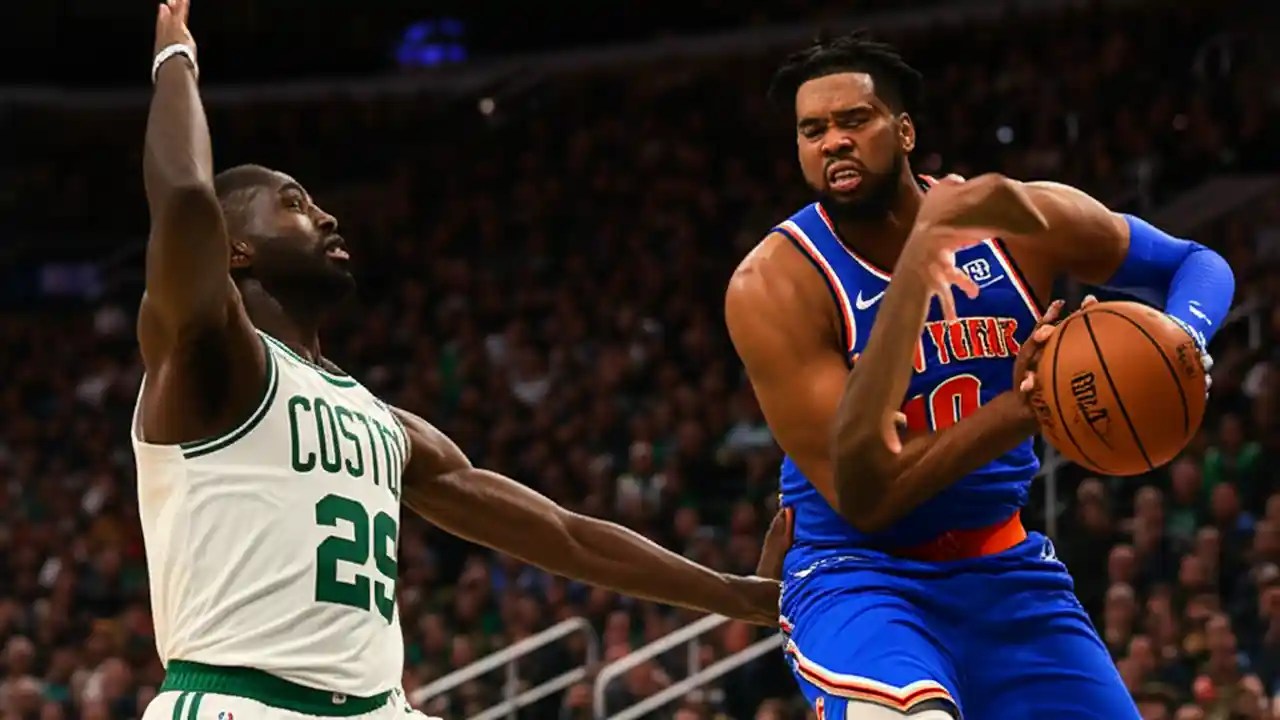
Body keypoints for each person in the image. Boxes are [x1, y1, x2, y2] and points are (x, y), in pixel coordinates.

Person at [134, 3, 779, 720]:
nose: (326, 217)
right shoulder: (214, 360)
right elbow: (186, 198)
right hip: (243, 702)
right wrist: (175, 59)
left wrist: (735, 595)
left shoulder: (385, 425)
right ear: (234, 249)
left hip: (379, 706)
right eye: (293, 204)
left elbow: (564, 536)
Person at [726, 31, 1234, 719]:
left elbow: (1195, 264)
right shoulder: (776, 282)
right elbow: (866, 495)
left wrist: (1182, 340)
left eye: (854, 120)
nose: (833, 142)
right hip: (860, 575)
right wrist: (1022, 408)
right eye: (812, 130)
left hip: (1004, 562)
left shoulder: (1019, 222)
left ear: (904, 131)